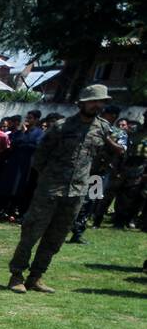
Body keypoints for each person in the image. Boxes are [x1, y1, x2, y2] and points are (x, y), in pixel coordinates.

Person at [7, 84, 123, 293]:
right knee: (32, 233)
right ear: (82, 102)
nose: (96, 105)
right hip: (50, 189)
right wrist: (48, 179)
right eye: (93, 101)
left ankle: (36, 277)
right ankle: (16, 275)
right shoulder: (62, 126)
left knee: (56, 237)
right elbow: (40, 156)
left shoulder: (103, 128)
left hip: (77, 192)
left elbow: (104, 155)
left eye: (100, 102)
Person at [70, 103, 124, 242]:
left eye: (104, 113)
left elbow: (120, 150)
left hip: (99, 173)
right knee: (73, 198)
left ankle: (78, 232)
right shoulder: (92, 127)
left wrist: (106, 137)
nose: (100, 115)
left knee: (89, 202)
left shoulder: (118, 133)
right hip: (81, 169)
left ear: (112, 116)